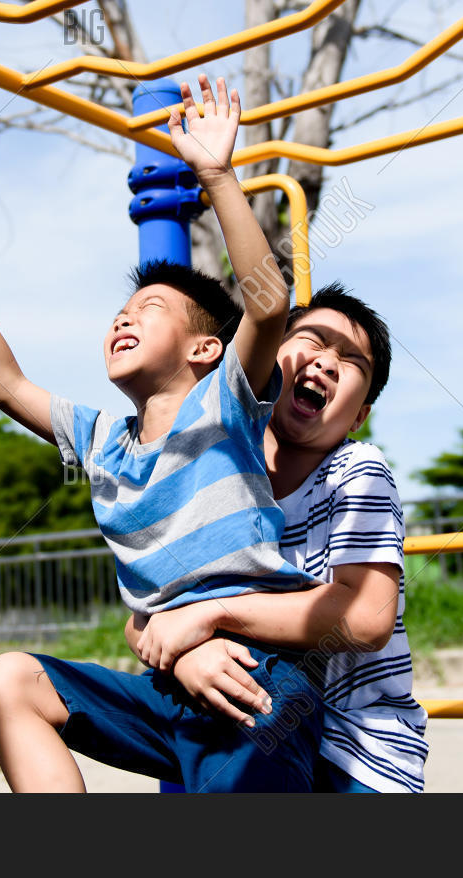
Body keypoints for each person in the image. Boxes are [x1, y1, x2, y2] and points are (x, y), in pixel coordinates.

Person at [0, 73, 326, 792]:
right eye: (119, 311)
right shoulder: (103, 442)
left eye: (149, 307)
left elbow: (268, 299)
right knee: (7, 681)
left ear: (203, 349)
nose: (123, 318)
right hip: (169, 683)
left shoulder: (226, 401)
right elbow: (5, 385)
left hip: (258, 676)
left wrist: (216, 171)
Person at [132, 285, 429, 792]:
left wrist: (214, 612)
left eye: (351, 361)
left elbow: (368, 617)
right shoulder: (217, 472)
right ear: (270, 360)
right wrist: (185, 655)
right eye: (313, 339)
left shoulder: (356, 472)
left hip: (351, 751)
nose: (327, 363)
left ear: (359, 416)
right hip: (233, 717)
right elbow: (146, 619)